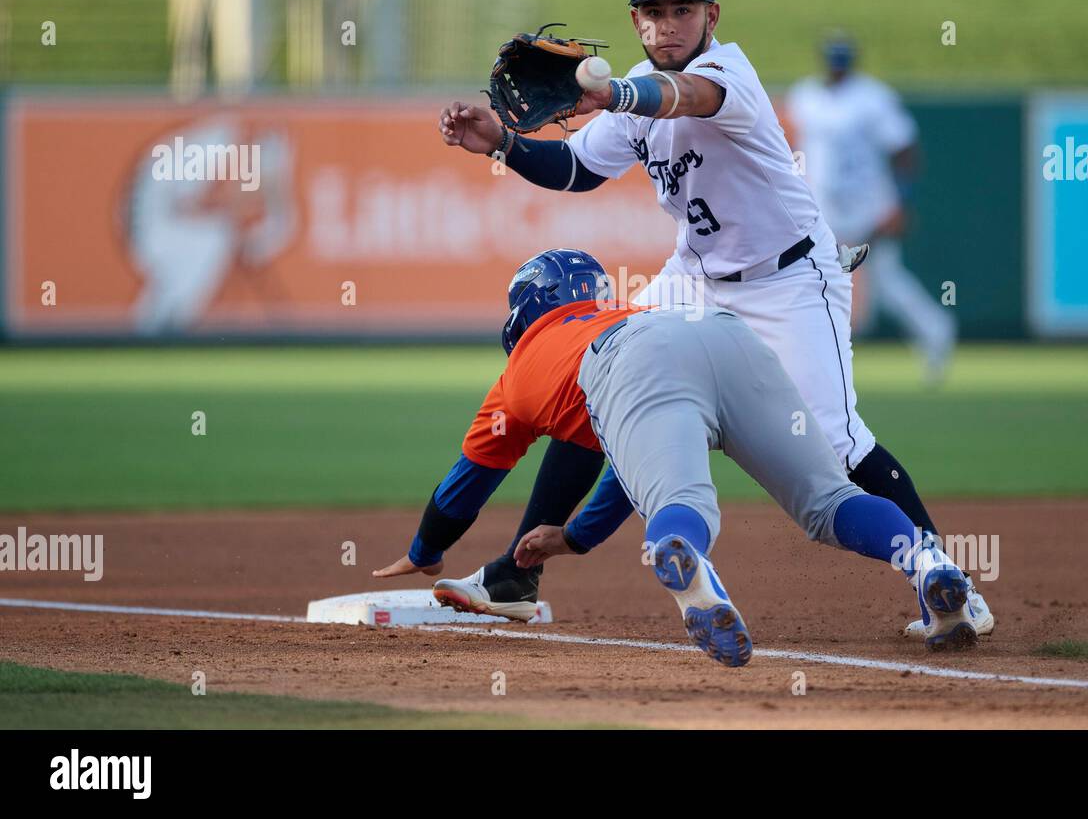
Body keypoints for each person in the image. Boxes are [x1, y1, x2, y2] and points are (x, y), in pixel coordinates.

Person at [431, 0, 992, 640]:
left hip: (789, 279)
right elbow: (577, 168)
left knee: (837, 446)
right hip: (696, 278)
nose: (668, 25)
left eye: (683, 10)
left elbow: (686, 99)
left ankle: (948, 586)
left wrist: (613, 96)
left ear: (710, 16)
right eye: (655, 12)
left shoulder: (726, 71)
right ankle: (516, 576)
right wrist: (503, 144)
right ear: (635, 21)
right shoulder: (634, 87)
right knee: (603, 370)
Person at [373, 249, 984, 665]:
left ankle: (697, 581)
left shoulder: (520, 373)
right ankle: (928, 565)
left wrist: (425, 552)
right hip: (722, 332)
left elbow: (464, 489)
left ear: (526, 310)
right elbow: (618, 474)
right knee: (830, 501)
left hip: (631, 363)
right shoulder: (622, 306)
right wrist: (575, 538)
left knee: (682, 504)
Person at [787, 34, 956, 383]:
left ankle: (937, 333)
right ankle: (808, 360)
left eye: (841, 59)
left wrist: (901, 203)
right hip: (823, 206)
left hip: (869, 205)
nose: (837, 66)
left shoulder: (873, 97)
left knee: (888, 281)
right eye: (833, 59)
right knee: (809, 276)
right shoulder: (804, 96)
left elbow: (905, 150)